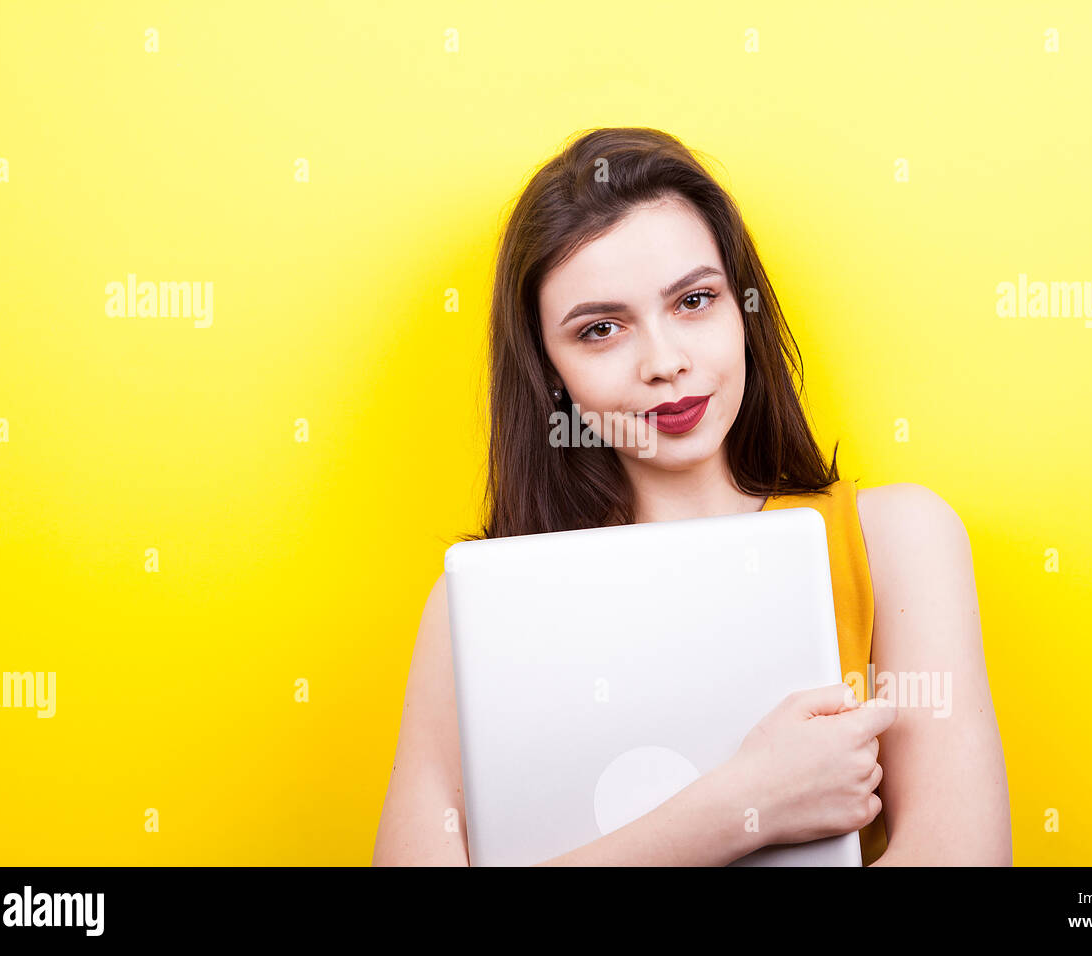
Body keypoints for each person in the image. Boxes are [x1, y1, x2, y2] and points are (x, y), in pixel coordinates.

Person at [373, 127, 1011, 866]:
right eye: (602, 329)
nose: (665, 363)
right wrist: (748, 803)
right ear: (550, 371)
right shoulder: (472, 611)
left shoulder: (898, 542)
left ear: (744, 311)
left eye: (695, 300)